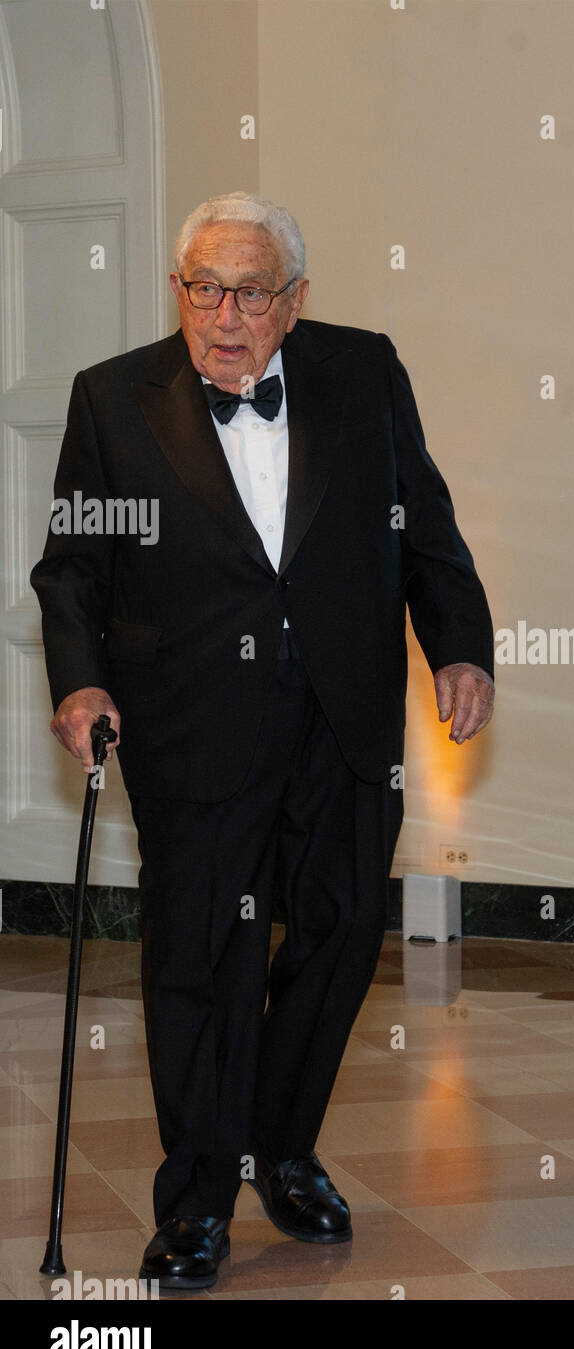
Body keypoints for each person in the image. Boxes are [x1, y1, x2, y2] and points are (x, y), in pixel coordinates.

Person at [31, 192, 495, 1291]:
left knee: (337, 941)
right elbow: (71, 568)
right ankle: (195, 1199)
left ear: (294, 301)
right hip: (192, 721)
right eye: (202, 287)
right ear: (179, 289)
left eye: (248, 291)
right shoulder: (113, 398)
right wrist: (81, 678)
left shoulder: (364, 372)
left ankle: (279, 1148)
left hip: (344, 716)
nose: (223, 314)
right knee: (199, 957)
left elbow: (424, 523)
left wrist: (461, 646)